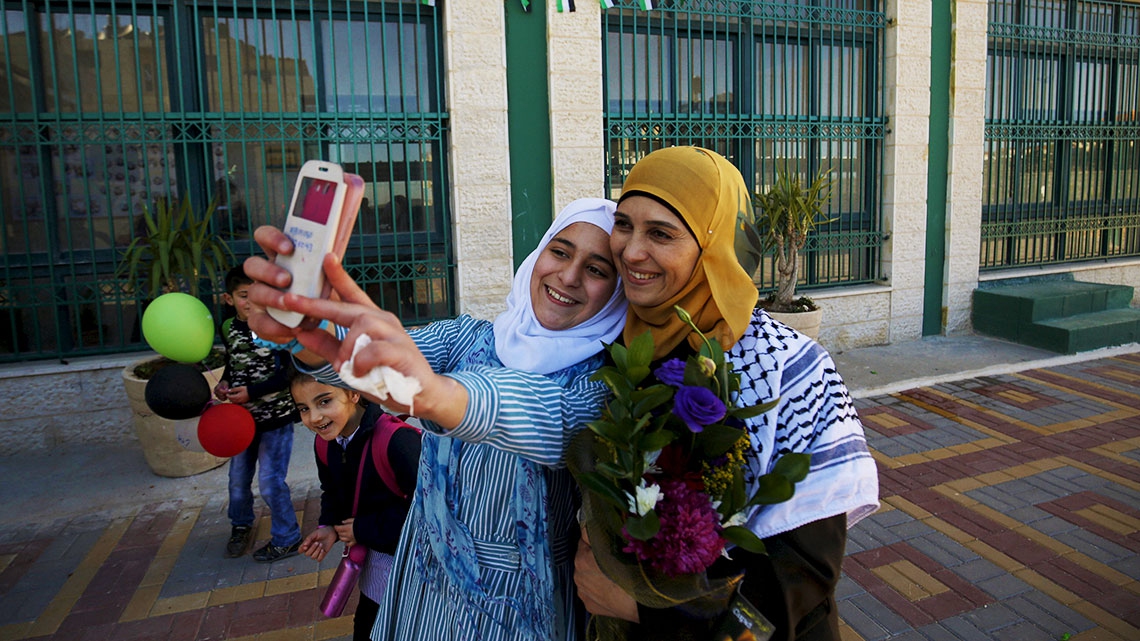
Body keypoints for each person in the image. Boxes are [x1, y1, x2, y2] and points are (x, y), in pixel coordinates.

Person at [243, 198, 629, 641]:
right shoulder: (471, 338)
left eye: (597, 269)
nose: (568, 276)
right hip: (423, 584)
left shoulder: (601, 385)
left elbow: (545, 415)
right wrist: (310, 330)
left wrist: (436, 395)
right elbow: (378, 357)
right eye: (559, 251)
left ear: (617, 292)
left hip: (515, 607)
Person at [572, 146, 880, 640]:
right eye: (624, 224)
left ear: (714, 247)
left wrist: (649, 613)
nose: (630, 251)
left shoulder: (787, 368)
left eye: (661, 233)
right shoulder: (617, 349)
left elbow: (803, 572)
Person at [291, 372, 422, 641]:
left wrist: (363, 529)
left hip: (417, 577)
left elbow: (429, 512)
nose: (314, 417)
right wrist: (329, 525)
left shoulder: (398, 441)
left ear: (354, 393)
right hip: (375, 575)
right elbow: (333, 489)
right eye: (304, 408)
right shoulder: (325, 443)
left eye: (324, 401)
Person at [215, 265, 303, 562]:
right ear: (229, 299)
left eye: (257, 295)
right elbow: (234, 363)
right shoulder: (228, 328)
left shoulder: (276, 328)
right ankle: (240, 525)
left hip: (275, 421)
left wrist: (252, 393)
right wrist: (225, 382)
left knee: (270, 481)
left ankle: (287, 537)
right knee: (237, 480)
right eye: (243, 295)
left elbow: (290, 373)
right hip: (241, 422)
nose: (251, 302)